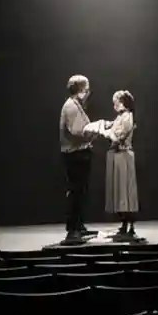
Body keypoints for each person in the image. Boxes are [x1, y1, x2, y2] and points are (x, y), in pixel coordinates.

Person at [59, 75, 101, 245]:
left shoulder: (76, 105)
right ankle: (73, 230)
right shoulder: (71, 107)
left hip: (79, 153)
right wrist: (96, 131)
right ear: (81, 89)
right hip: (75, 154)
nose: (88, 92)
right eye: (87, 88)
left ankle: (79, 225)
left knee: (81, 192)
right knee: (76, 192)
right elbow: (78, 131)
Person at [101, 90, 139, 240]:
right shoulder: (120, 117)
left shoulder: (127, 117)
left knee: (125, 191)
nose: (114, 105)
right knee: (118, 191)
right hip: (117, 156)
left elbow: (118, 136)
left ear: (122, 102)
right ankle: (124, 224)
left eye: (115, 102)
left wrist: (106, 133)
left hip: (123, 156)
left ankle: (129, 225)